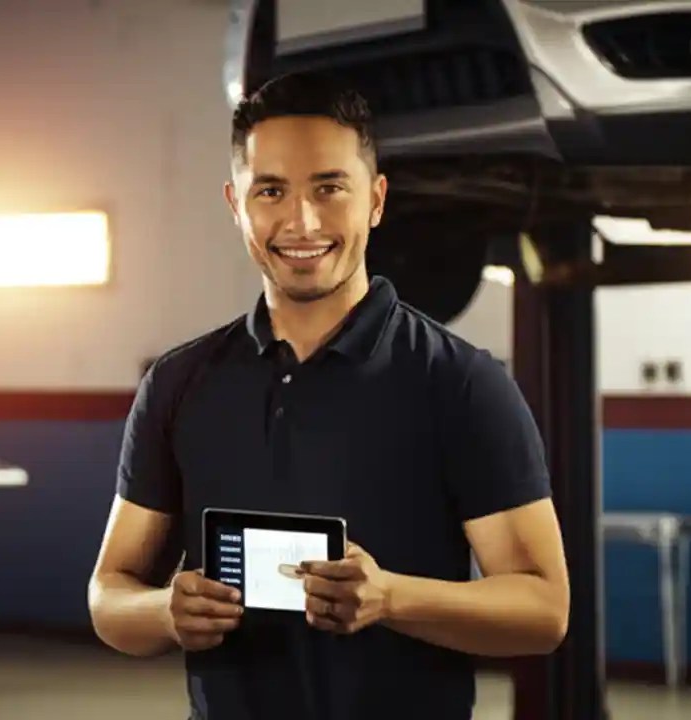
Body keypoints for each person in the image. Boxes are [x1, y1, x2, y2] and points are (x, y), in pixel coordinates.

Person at [89, 73, 569, 720]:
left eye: (328, 188)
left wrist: (391, 598)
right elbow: (109, 596)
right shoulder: (180, 384)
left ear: (375, 200)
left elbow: (543, 611)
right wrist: (164, 611)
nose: (302, 220)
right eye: (271, 191)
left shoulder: (460, 384)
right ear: (236, 205)